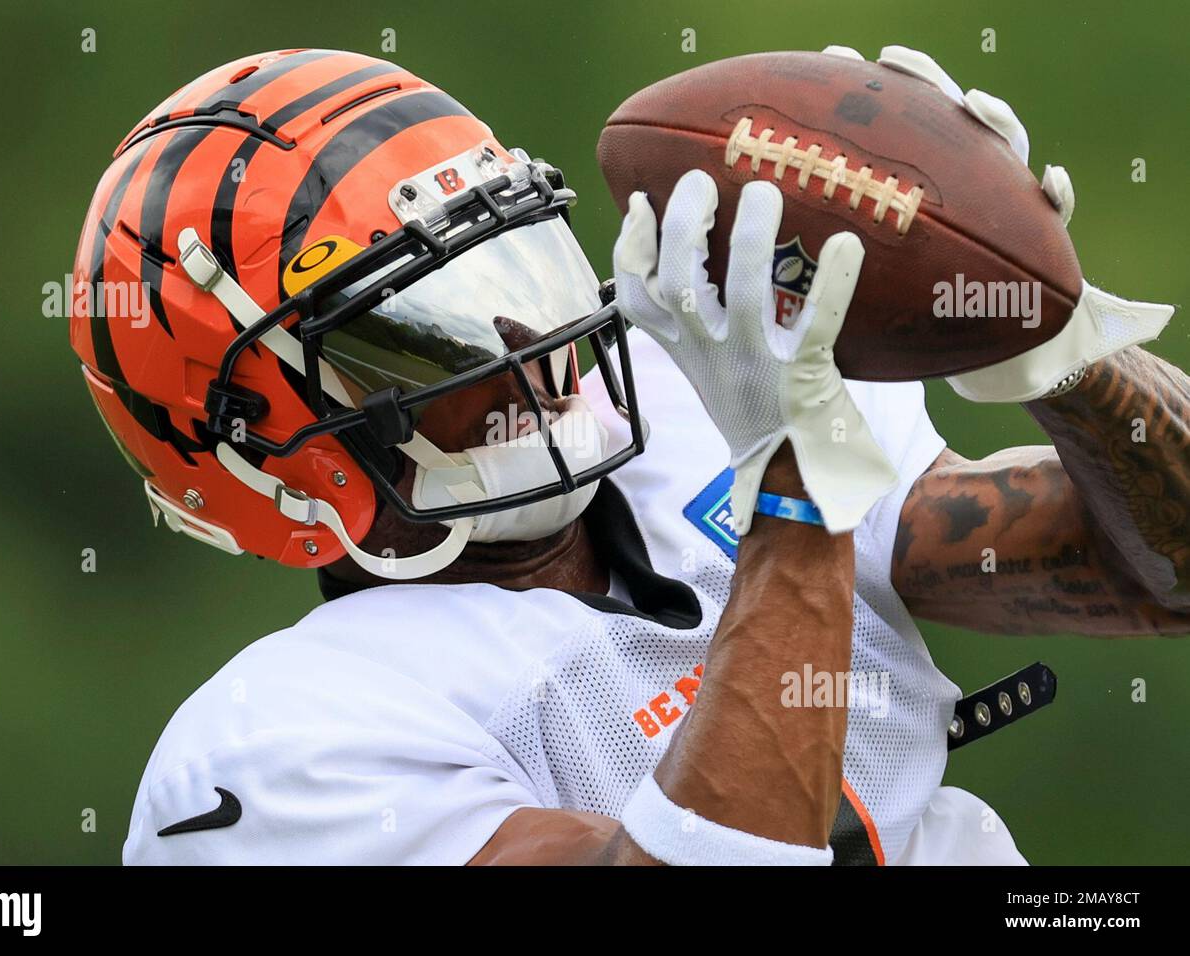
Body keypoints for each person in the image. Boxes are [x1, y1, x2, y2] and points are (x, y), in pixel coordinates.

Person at [70, 46, 1184, 865]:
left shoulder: (700, 392)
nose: (521, 353)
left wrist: (1058, 342)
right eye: (423, 335)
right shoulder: (276, 743)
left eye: (511, 274)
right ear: (262, 449)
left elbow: (1166, 570)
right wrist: (793, 493)